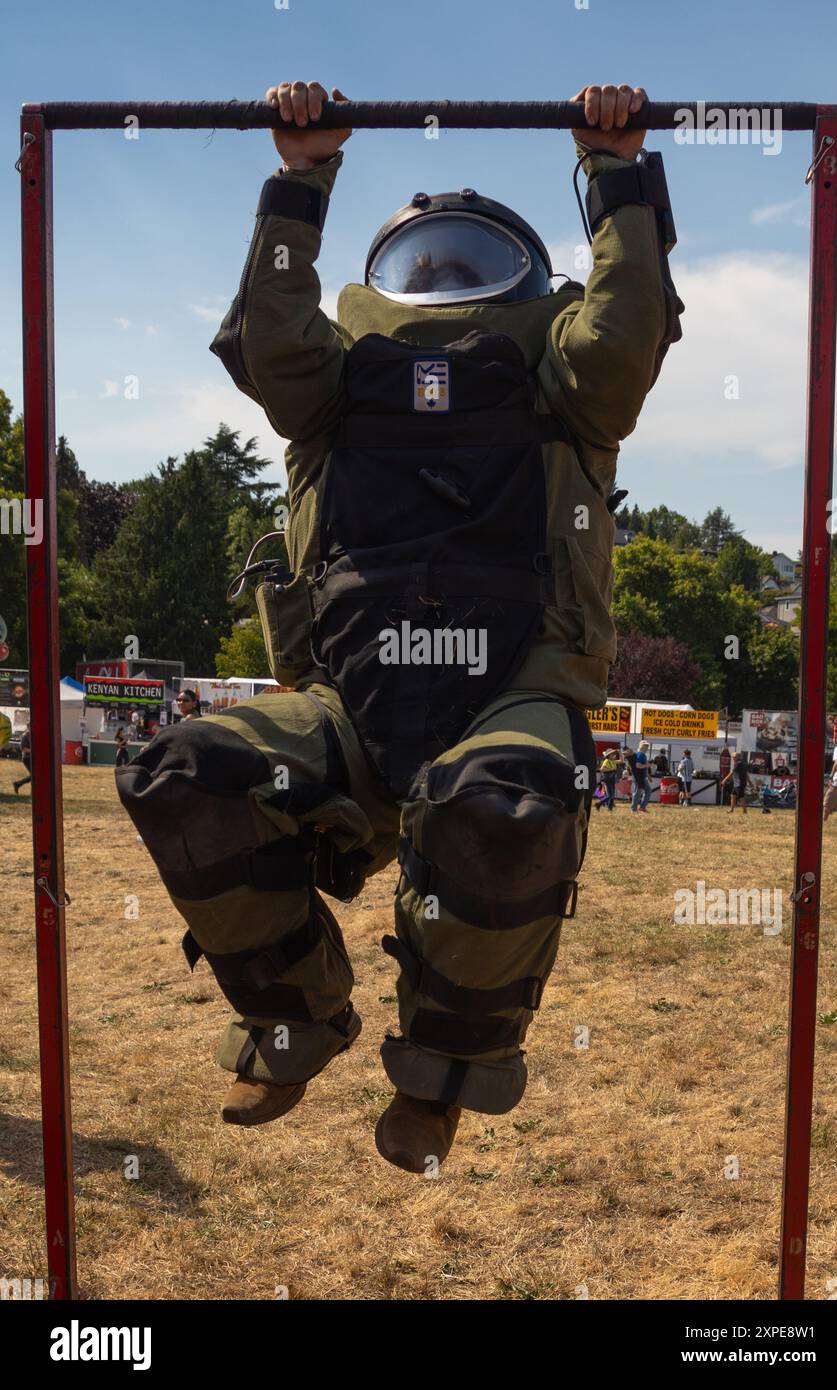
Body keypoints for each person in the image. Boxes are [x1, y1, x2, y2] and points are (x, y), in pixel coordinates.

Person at [116, 78, 683, 1174]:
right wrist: (301, 176)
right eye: (421, 261)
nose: (441, 276)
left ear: (528, 279)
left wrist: (612, 171)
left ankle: (440, 1065)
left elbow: (622, 334)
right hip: (345, 703)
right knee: (184, 771)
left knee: (507, 807)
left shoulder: (562, 371)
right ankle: (296, 1015)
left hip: (513, 683)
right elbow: (274, 338)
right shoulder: (333, 376)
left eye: (463, 259)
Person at [630, 740, 652, 813]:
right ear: (641, 747)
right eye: (645, 746)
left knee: (644, 791)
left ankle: (641, 807)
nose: (647, 748)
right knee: (638, 792)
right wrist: (647, 765)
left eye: (647, 746)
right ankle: (634, 808)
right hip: (639, 777)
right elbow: (638, 765)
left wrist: (648, 776)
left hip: (642, 777)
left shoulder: (642, 755)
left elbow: (643, 767)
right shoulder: (640, 754)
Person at [599, 746, 623, 811]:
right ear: (609, 755)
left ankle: (609, 808)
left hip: (611, 780)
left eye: (614, 754)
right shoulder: (606, 761)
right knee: (610, 795)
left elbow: (622, 760)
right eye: (612, 754)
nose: (614, 755)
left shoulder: (613, 761)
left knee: (611, 795)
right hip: (607, 780)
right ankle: (600, 804)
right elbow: (601, 769)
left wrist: (620, 752)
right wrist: (612, 769)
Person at [12, 724, 31, 794]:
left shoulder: (33, 735)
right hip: (27, 758)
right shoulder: (25, 736)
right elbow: (23, 749)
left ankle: (18, 784)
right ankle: (17, 783)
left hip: (32, 758)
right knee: (35, 776)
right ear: (28, 726)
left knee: (35, 776)